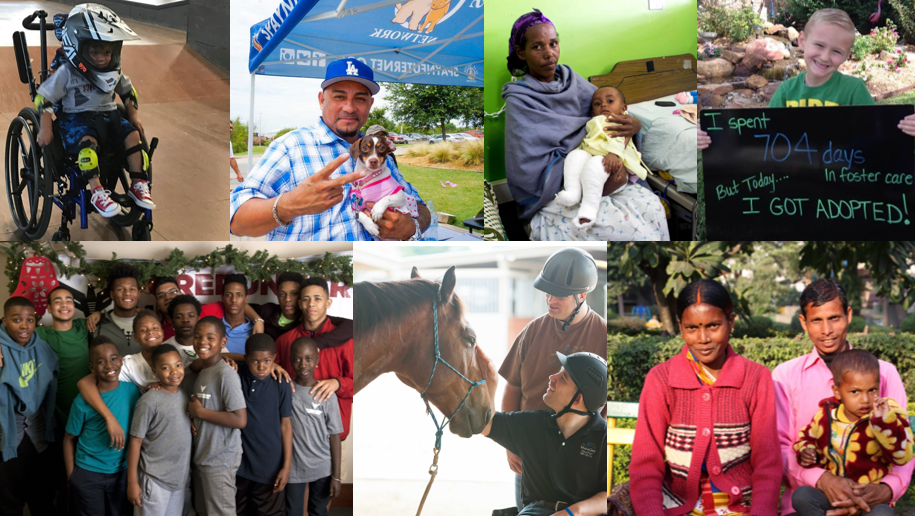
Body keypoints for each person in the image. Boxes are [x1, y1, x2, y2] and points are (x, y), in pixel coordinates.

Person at [230, 58, 432, 240]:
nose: (349, 107)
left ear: (370, 104)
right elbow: (235, 220)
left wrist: (411, 228)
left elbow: (421, 207)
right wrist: (288, 205)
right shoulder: (290, 147)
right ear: (321, 100)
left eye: (360, 99)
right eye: (339, 97)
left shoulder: (377, 153)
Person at [502, 9, 657, 242]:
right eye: (537, 47)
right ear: (520, 53)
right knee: (609, 229)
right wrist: (583, 166)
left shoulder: (572, 80)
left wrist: (634, 125)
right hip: (560, 183)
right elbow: (525, 164)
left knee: (651, 207)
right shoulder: (520, 99)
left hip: (599, 165)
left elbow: (606, 114)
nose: (549, 53)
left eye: (553, 44)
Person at [629, 279, 781, 515]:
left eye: (713, 326)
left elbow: (767, 464)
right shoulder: (661, 379)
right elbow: (645, 464)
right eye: (692, 328)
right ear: (680, 327)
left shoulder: (756, 378)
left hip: (739, 507)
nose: (703, 338)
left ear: (731, 322)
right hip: (675, 506)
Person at [773, 280, 913, 516]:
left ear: (848, 315)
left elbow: (905, 442)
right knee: (804, 500)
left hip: (870, 500)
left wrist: (888, 488)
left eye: (834, 318)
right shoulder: (785, 376)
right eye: (816, 320)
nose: (826, 330)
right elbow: (780, 447)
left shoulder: (885, 373)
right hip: (812, 505)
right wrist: (821, 479)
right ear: (803, 323)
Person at [697, 8, 915, 149]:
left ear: (847, 55)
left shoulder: (853, 90)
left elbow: (878, 130)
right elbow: (764, 134)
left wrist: (905, 127)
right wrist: (713, 136)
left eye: (837, 51)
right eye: (819, 45)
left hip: (843, 180)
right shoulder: (786, 91)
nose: (825, 56)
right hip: (798, 182)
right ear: (802, 41)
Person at [499, 247, 607, 510]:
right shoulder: (532, 330)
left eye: (559, 294)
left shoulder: (604, 335)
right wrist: (510, 444)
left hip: (580, 460)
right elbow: (513, 387)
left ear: (582, 294)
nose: (550, 299)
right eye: (547, 291)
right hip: (530, 454)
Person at [35, 3, 155, 216]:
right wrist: (45, 125)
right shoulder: (67, 73)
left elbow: (129, 93)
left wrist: (133, 116)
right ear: (79, 48)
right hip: (76, 118)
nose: (102, 58)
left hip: (109, 116)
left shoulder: (114, 72)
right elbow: (44, 96)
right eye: (95, 51)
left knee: (134, 135)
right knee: (88, 143)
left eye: (108, 52)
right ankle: (98, 192)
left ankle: (138, 184)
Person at [482, 351, 607, 515]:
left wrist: (573, 512)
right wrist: (491, 383)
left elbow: (611, 495)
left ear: (577, 399)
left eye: (563, 378)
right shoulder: (532, 423)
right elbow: (486, 424)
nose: (552, 377)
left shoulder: (603, 437)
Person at [791, 350, 914, 516]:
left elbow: (904, 455)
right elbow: (806, 439)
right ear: (837, 391)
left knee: (883, 514)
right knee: (802, 496)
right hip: (834, 496)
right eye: (855, 392)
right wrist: (806, 451)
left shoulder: (886, 416)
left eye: (872, 390)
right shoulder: (825, 417)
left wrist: (884, 422)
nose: (865, 399)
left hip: (868, 499)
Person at [553, 86, 659, 234]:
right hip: (591, 153)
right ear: (592, 112)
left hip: (613, 162)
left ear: (623, 108)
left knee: (596, 164)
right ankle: (573, 192)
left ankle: (588, 209)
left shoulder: (621, 120)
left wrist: (613, 153)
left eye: (610, 101)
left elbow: (621, 139)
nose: (603, 105)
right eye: (597, 104)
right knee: (574, 156)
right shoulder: (594, 121)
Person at [63, 335, 141, 516]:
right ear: (92, 368)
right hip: (88, 473)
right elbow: (68, 439)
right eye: (101, 361)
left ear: (121, 360)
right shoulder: (82, 401)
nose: (109, 365)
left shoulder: (132, 391)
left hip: (122, 472)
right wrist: (71, 476)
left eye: (114, 359)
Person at [0, 297, 59, 516]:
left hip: (38, 431)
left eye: (30, 319)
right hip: (7, 433)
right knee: (9, 500)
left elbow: (52, 384)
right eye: (17, 320)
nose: (25, 326)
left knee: (42, 496)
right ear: (5, 321)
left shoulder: (42, 348)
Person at [275, 277, 353, 441]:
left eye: (317, 299)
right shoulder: (284, 341)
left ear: (328, 303)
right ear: (300, 304)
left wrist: (338, 383)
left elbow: (360, 382)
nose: (311, 304)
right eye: (306, 299)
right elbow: (271, 379)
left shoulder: (346, 341)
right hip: (294, 438)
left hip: (333, 439)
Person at [126, 344, 193, 516]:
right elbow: (135, 441)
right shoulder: (149, 401)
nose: (174, 371)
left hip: (178, 480)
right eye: (165, 367)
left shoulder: (184, 395)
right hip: (154, 480)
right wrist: (132, 482)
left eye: (178, 365)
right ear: (154, 371)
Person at [189, 316, 247, 516]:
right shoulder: (204, 369)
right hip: (203, 456)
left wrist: (200, 412)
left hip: (220, 459)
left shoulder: (226, 374)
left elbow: (240, 419)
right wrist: (193, 417)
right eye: (198, 336)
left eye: (210, 337)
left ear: (223, 342)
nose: (203, 342)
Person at [285, 337, 344, 516]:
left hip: (323, 468)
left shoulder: (326, 394)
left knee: (318, 511)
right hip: (294, 469)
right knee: (292, 512)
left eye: (309, 359)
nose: (303, 364)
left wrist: (336, 476)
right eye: (297, 359)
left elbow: (335, 436)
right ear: (290, 360)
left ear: (317, 360)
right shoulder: (286, 390)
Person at [235, 334, 292, 516]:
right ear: (246, 359)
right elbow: (214, 356)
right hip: (239, 465)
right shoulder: (237, 373)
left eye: (267, 361)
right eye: (255, 361)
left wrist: (287, 465)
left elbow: (286, 426)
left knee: (269, 512)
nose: (261, 367)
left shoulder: (281, 383)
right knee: (237, 510)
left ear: (274, 358)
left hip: (269, 466)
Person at [93, 263, 142, 357]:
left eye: (132, 289)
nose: (127, 293)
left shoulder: (150, 323)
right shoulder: (97, 325)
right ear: (112, 294)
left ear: (139, 293)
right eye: (120, 289)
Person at [222, 274, 254, 354]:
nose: (234, 300)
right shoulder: (214, 327)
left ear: (246, 298)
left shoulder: (254, 330)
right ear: (222, 297)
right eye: (229, 295)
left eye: (239, 295)